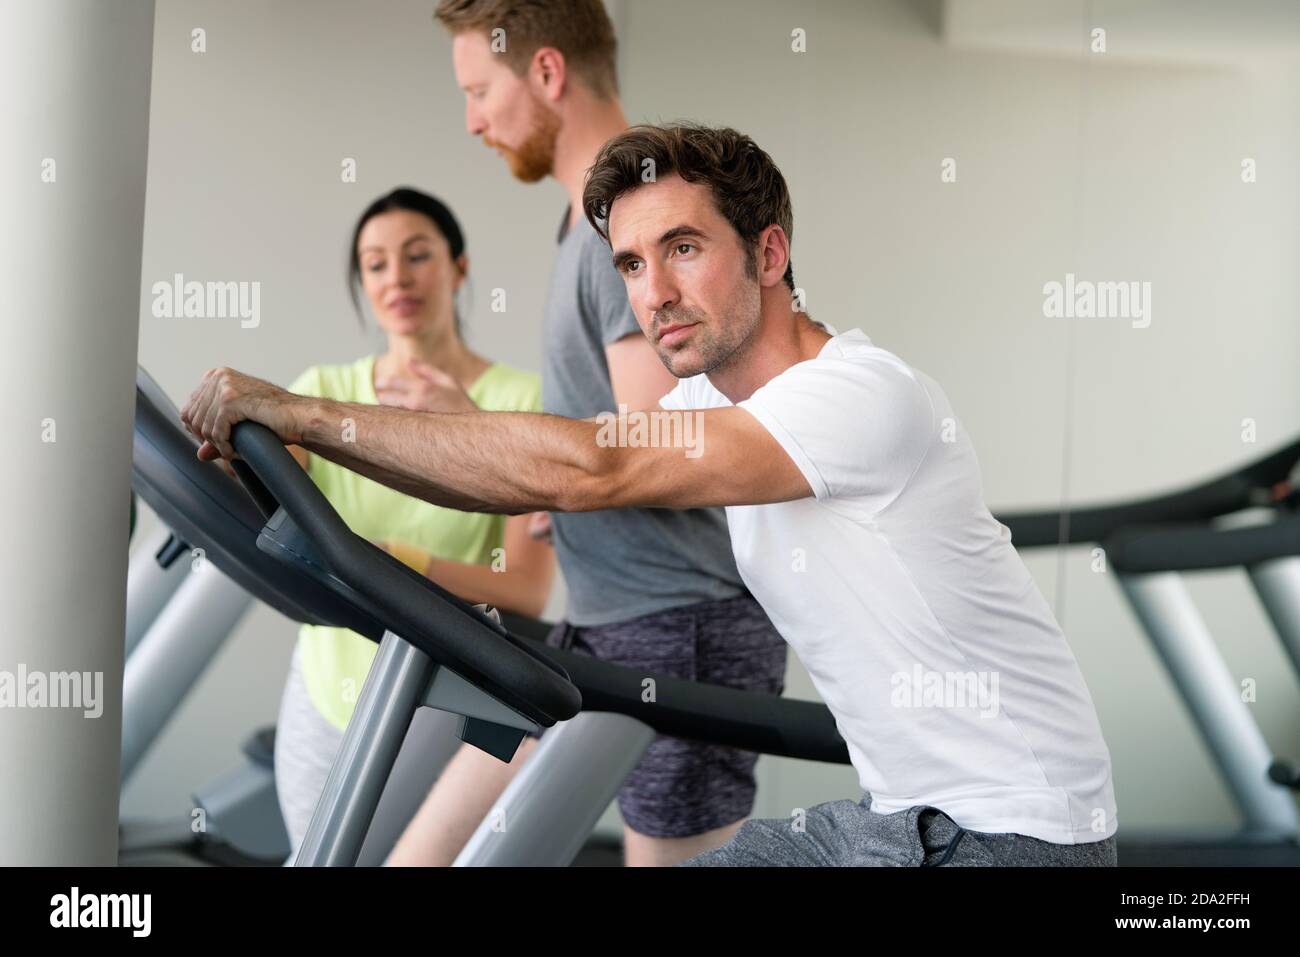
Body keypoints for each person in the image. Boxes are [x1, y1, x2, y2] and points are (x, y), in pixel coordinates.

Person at [181, 122, 1119, 866]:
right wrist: (294, 452)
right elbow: (539, 470)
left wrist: (303, 414)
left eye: (682, 247)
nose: (654, 291)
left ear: (768, 254)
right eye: (630, 263)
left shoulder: (857, 395)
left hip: (1010, 833)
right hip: (894, 820)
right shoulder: (712, 398)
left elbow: (593, 467)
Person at [356, 0, 788, 867]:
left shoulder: (621, 234)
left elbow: (650, 452)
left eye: (481, 90)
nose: (474, 120)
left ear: (547, 72)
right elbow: (613, 444)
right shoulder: (587, 226)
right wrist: (503, 450)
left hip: (677, 624)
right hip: (600, 624)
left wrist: (504, 447)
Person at [272, 186, 555, 855]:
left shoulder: (518, 401)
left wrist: (399, 564)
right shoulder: (321, 395)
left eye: (418, 255)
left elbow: (526, 589)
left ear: (459, 268)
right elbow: (263, 512)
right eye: (375, 264)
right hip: (327, 687)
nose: (396, 277)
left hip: (443, 706)